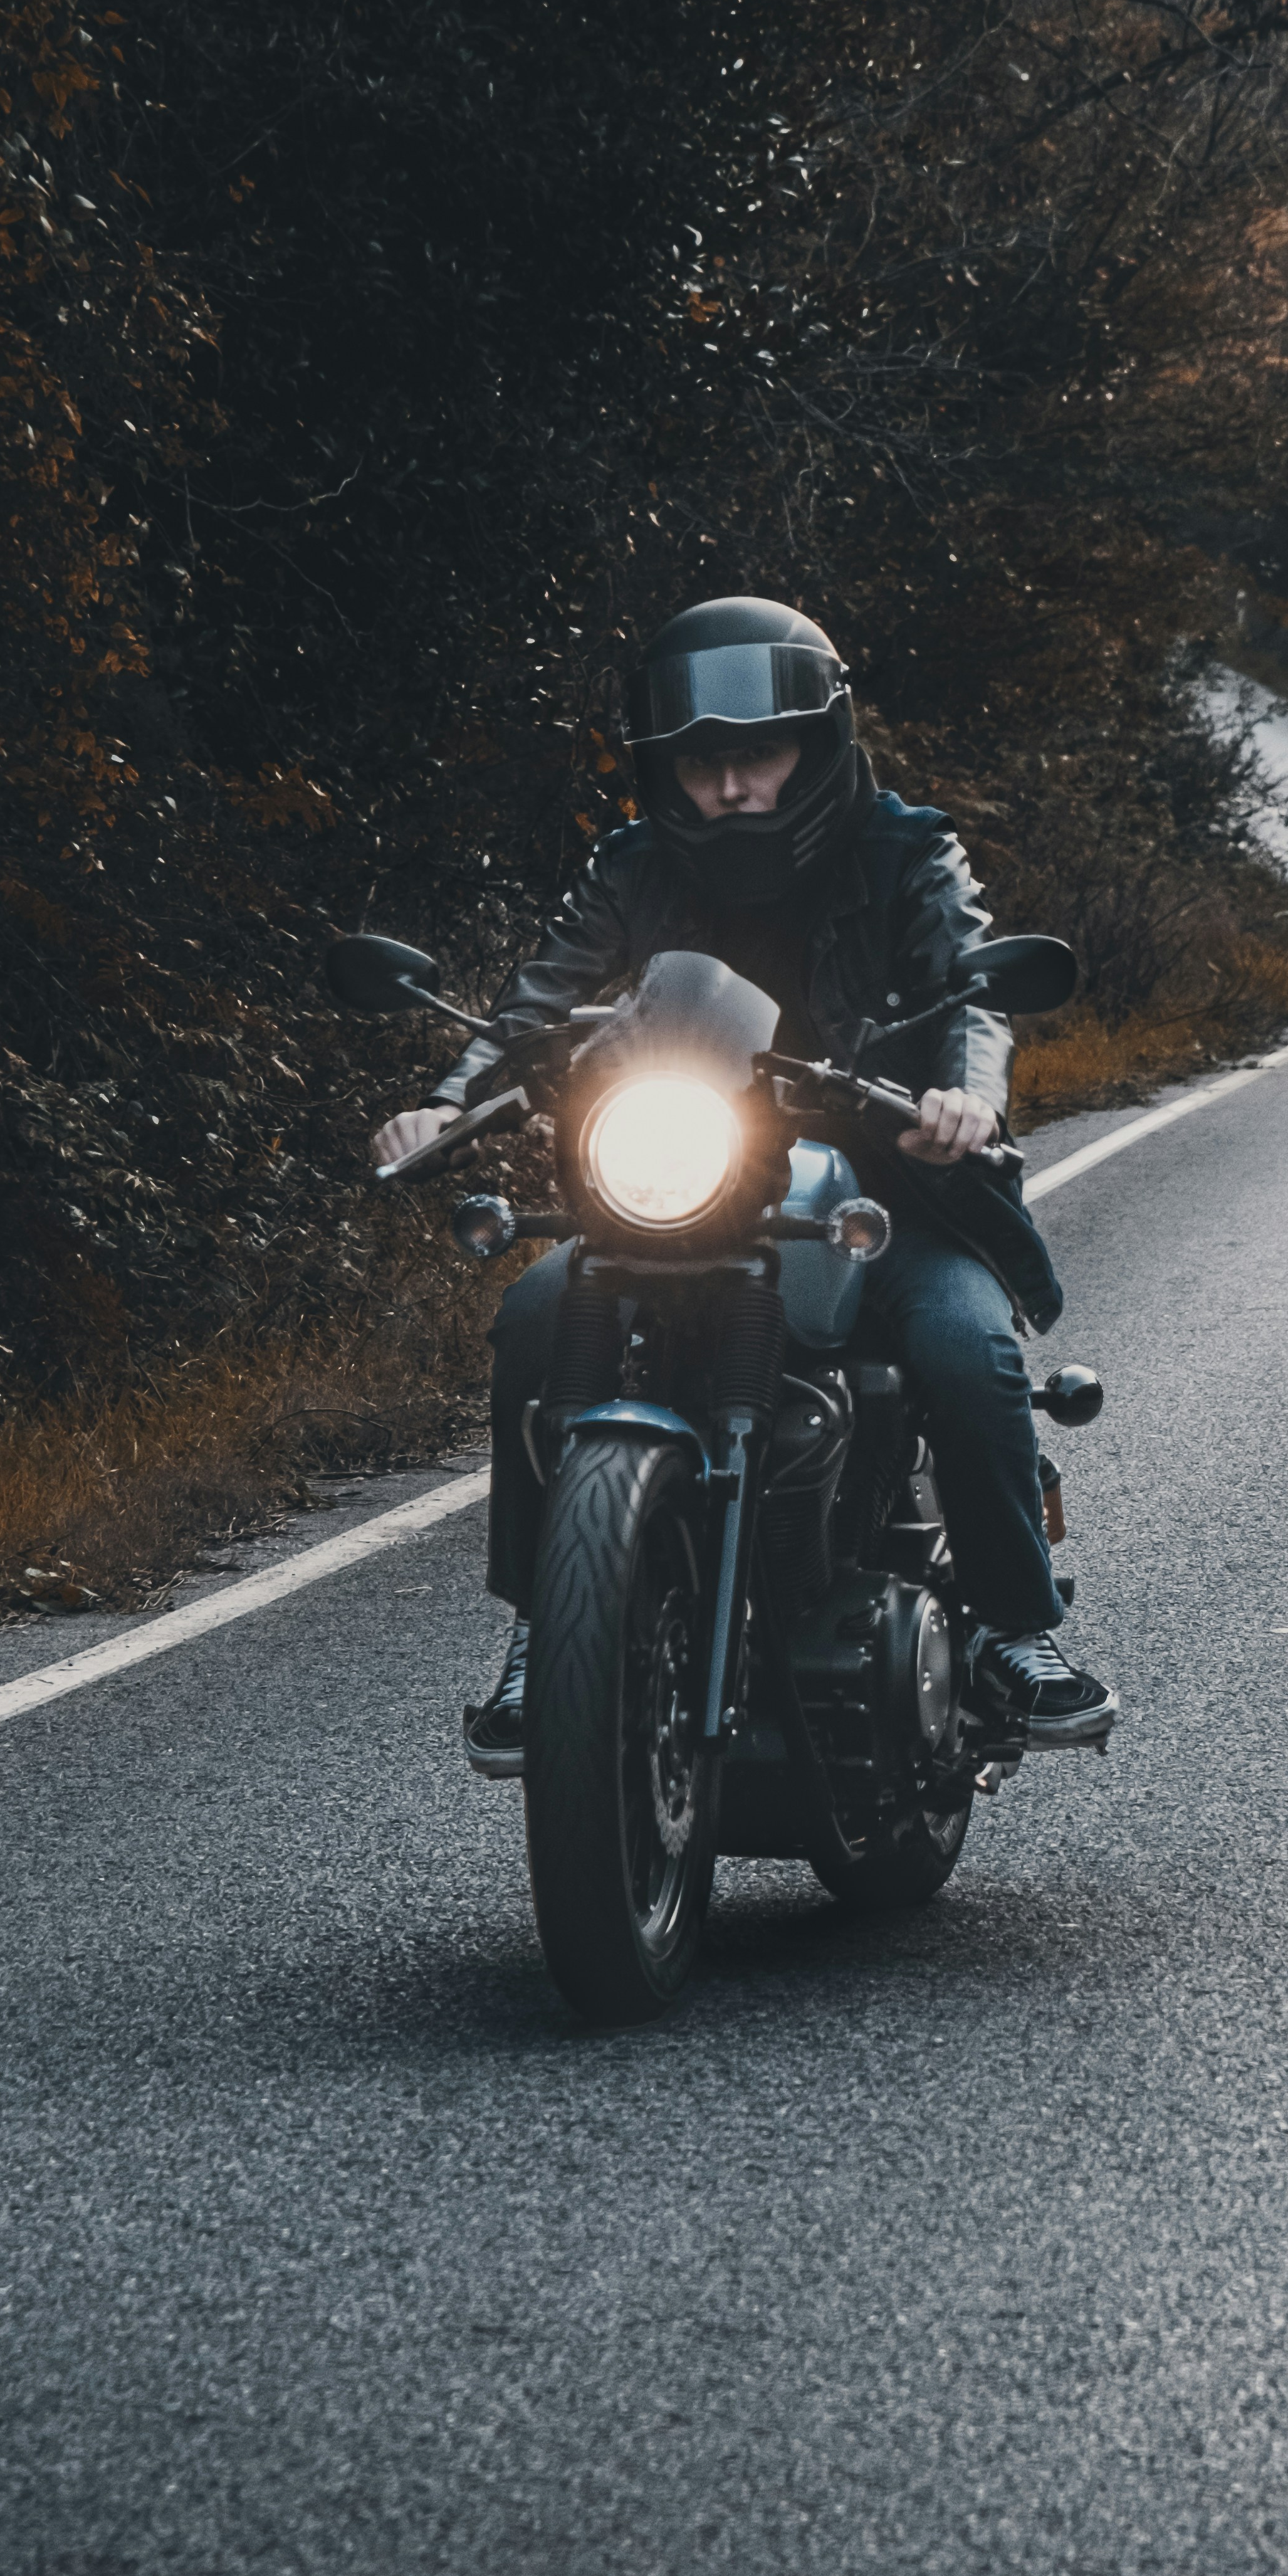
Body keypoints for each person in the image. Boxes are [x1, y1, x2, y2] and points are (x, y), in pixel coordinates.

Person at [369, 595, 1118, 1771]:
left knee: (969, 1349)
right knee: (532, 1317)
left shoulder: (906, 848)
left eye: (757, 754)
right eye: (704, 762)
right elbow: (533, 1002)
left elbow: (968, 994)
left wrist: (967, 1099)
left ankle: (1014, 1633)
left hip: (879, 1200)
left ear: (818, 746)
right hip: (682, 1184)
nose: (732, 787)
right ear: (667, 768)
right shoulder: (635, 863)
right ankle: (537, 1633)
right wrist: (453, 1094)